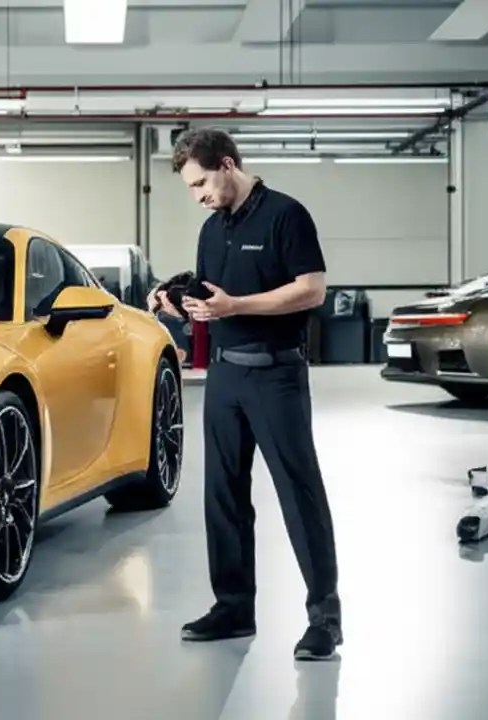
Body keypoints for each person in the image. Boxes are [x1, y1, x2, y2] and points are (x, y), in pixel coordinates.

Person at [148, 128, 342, 660]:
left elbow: (311, 289)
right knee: (223, 495)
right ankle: (233, 607)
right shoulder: (212, 230)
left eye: (202, 183)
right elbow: (212, 297)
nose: (199, 196)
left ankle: (324, 618)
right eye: (190, 188)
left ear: (228, 164)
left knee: (298, 494)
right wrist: (179, 304)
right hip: (226, 379)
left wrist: (237, 307)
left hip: (276, 376)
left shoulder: (286, 215)